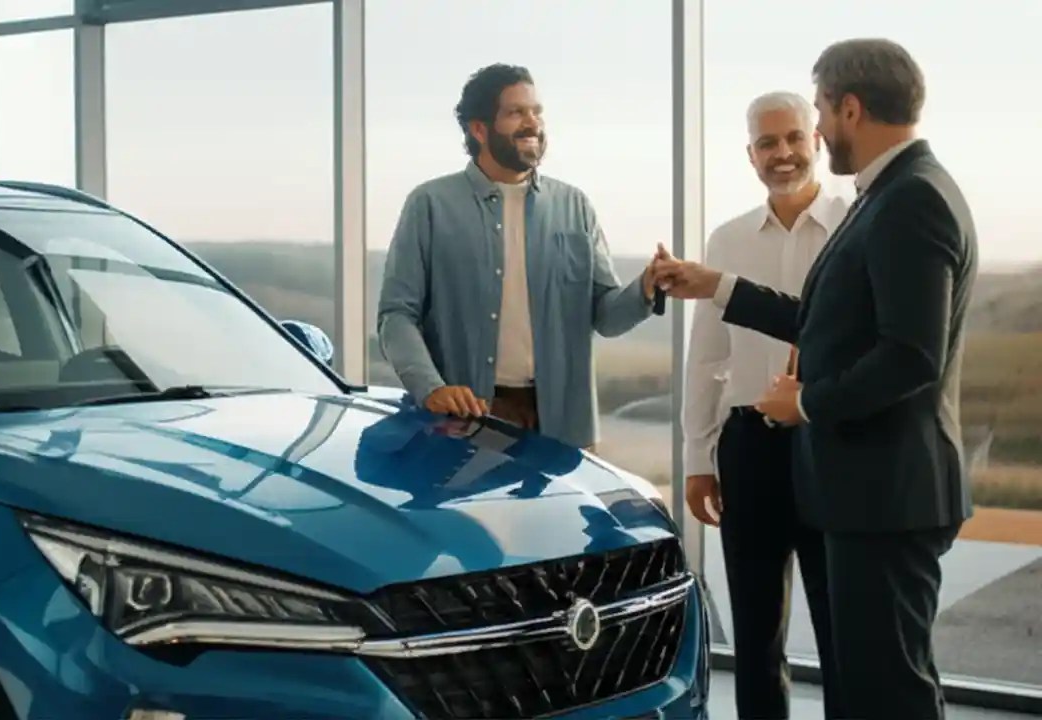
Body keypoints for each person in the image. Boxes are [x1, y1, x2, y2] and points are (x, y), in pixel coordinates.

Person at [656, 39, 977, 719]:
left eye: (821, 114)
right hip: (866, 486)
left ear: (848, 109)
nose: (821, 133)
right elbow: (824, 320)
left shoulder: (908, 199)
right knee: (873, 686)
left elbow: (911, 355)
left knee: (887, 692)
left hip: (887, 491)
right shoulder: (888, 194)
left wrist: (805, 401)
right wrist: (720, 286)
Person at [376, 63, 663, 451]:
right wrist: (432, 389)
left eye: (536, 112)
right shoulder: (429, 205)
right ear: (479, 129)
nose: (533, 123)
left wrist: (646, 288)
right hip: (466, 420)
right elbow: (396, 315)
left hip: (563, 424)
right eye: (516, 113)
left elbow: (607, 317)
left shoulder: (574, 205)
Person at [683, 90, 848, 719]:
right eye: (767, 143)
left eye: (793, 138)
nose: (782, 154)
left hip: (828, 444)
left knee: (841, 632)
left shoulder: (852, 226)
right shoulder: (726, 240)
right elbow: (707, 354)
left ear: (815, 139)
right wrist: (699, 456)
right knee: (755, 637)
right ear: (750, 156)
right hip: (748, 448)